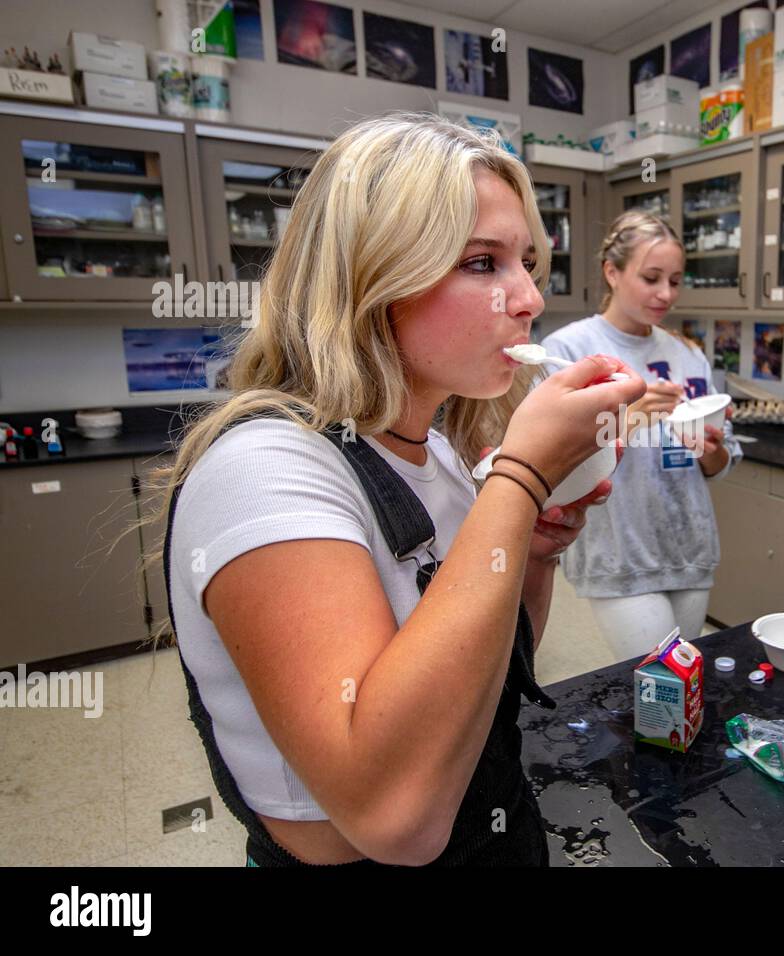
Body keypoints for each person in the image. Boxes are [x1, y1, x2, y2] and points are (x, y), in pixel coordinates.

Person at [152, 113, 645, 867]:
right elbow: (395, 818)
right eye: (484, 263)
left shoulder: (435, 454)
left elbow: (476, 688)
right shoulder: (262, 471)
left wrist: (536, 551)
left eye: (527, 265)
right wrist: (520, 476)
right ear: (371, 274)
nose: (528, 300)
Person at [541, 211, 742, 659]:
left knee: (681, 693)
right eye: (651, 278)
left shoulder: (688, 353)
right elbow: (551, 466)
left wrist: (712, 452)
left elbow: (724, 459)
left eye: (675, 279)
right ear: (612, 272)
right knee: (662, 688)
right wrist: (629, 420)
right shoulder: (569, 352)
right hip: (620, 555)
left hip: (689, 549)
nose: (666, 294)